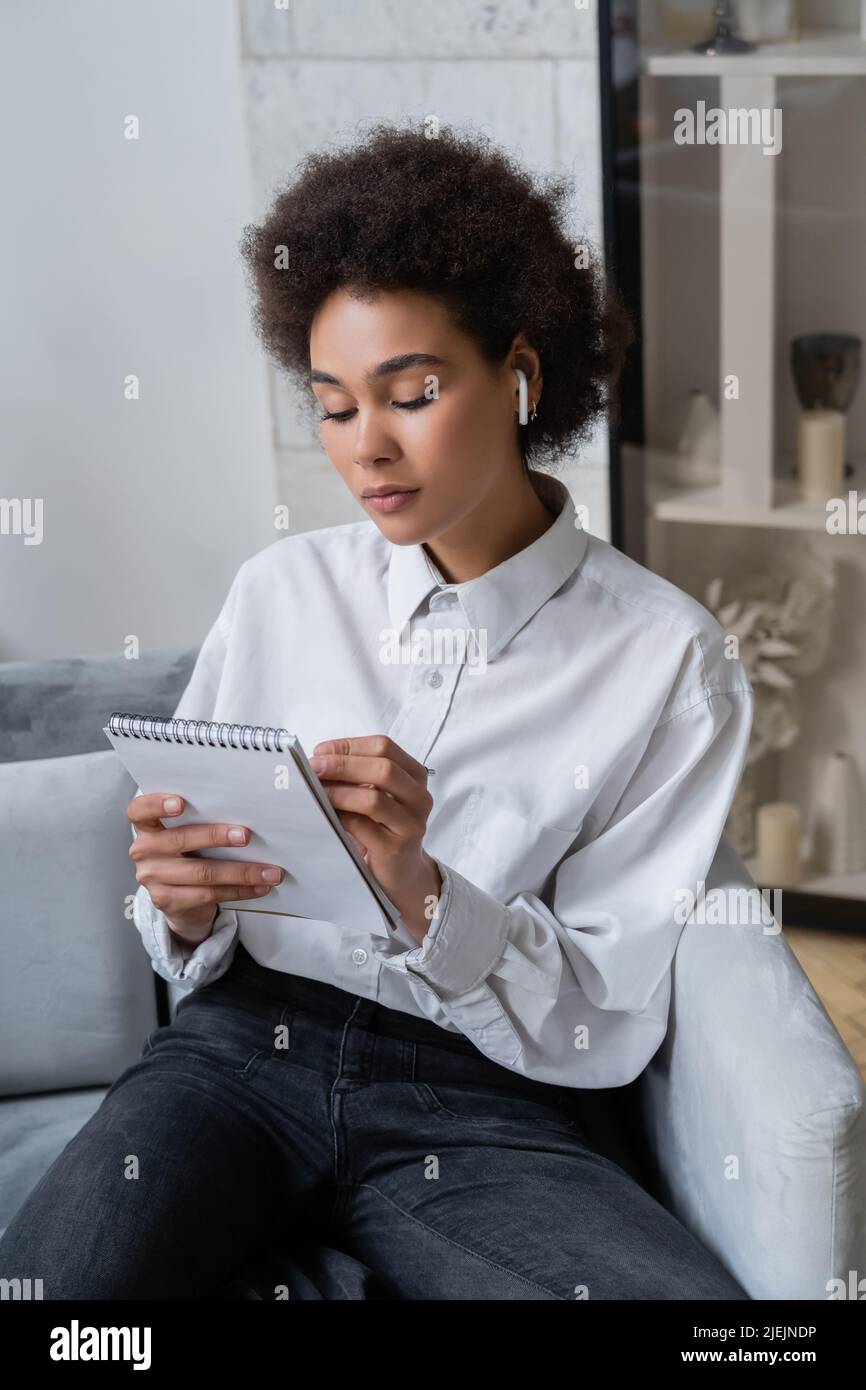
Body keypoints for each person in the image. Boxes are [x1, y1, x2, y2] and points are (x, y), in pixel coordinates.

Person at [0, 122, 753, 1300]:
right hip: (234, 1055)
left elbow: (605, 1017)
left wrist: (428, 893)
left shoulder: (664, 655)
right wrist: (180, 909)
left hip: (480, 1097)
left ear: (520, 373)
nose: (368, 449)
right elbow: (175, 921)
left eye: (410, 393)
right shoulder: (281, 591)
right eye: (335, 406)